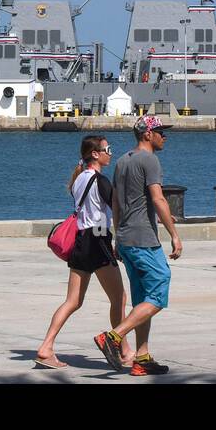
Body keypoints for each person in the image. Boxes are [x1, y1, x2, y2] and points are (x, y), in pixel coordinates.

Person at [35, 135, 136, 370]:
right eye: (107, 149)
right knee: (118, 298)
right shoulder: (100, 180)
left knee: (73, 301)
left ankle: (46, 347)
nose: (110, 152)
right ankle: (124, 350)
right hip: (97, 239)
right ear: (95, 154)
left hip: (81, 241)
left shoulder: (79, 179)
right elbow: (118, 207)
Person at [95, 114, 182, 376]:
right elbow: (158, 199)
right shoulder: (150, 160)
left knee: (142, 299)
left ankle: (142, 358)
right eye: (160, 132)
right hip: (144, 239)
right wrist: (174, 234)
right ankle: (113, 336)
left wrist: (118, 237)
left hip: (126, 239)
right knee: (159, 289)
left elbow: (118, 203)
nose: (164, 136)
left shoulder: (122, 161)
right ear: (147, 135)